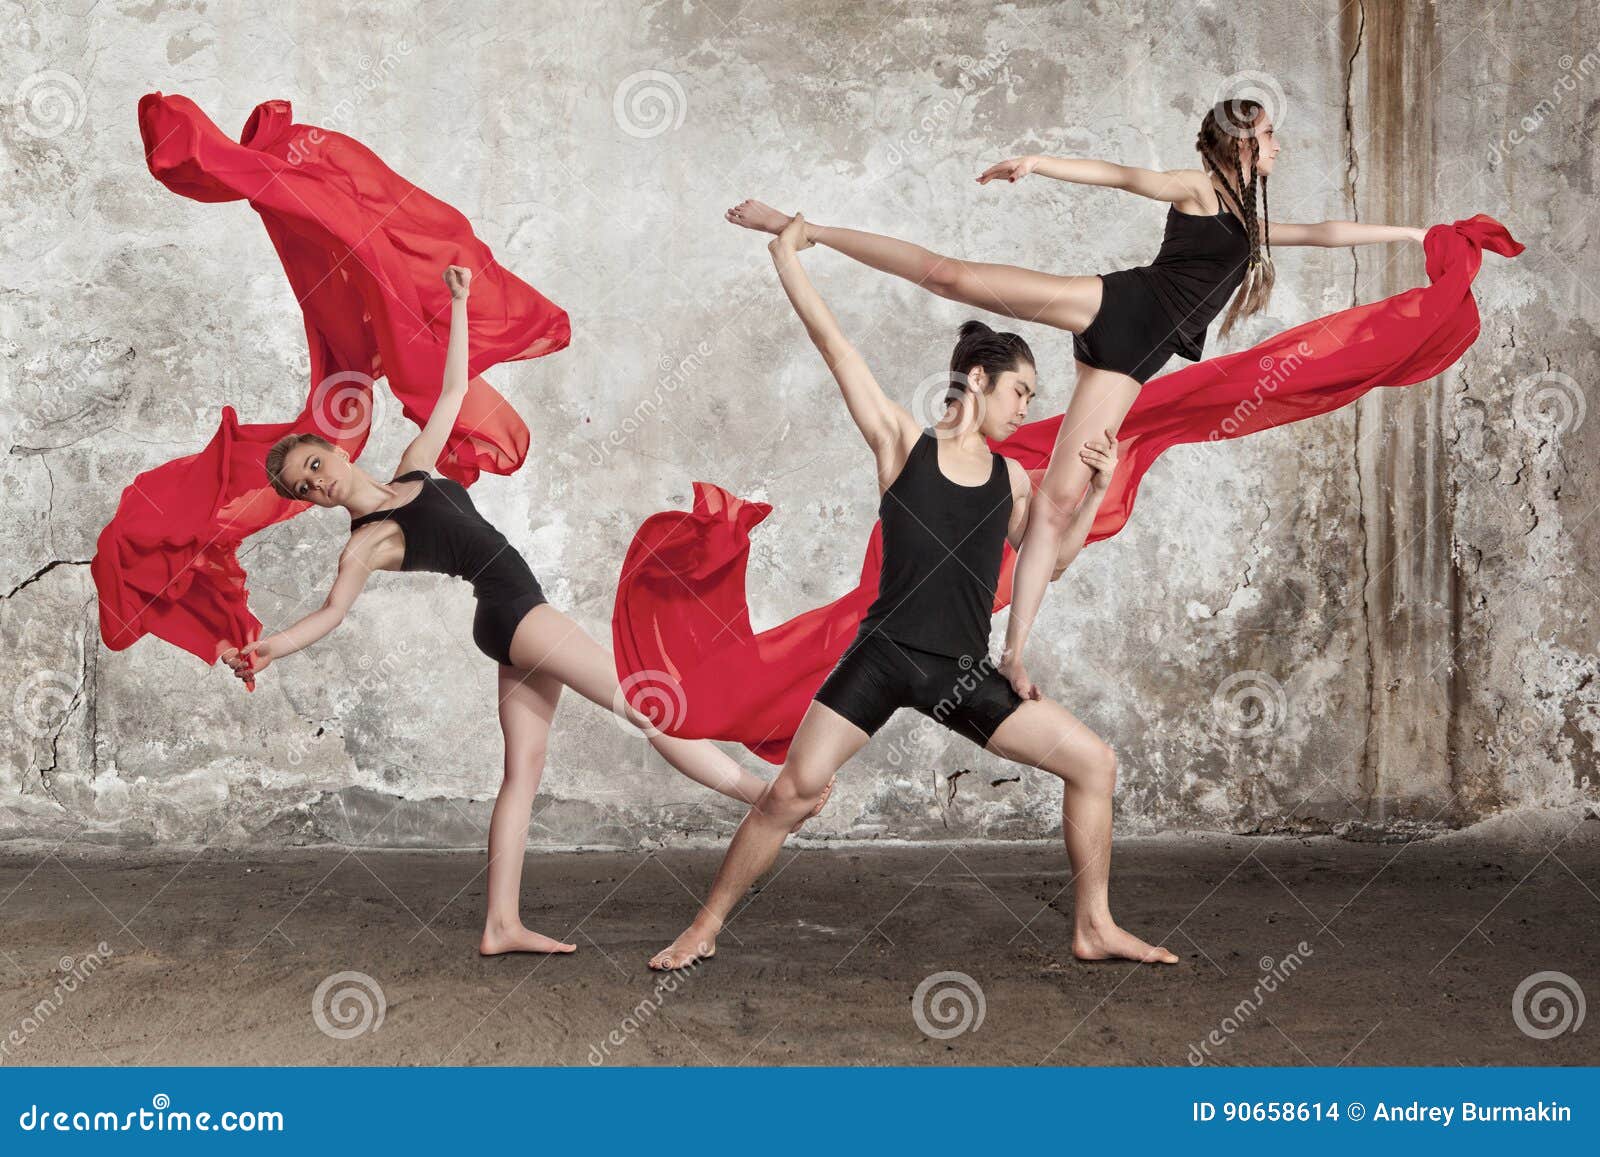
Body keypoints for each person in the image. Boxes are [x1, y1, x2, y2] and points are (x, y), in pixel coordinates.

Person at [723, 97, 1426, 701]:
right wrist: (1040, 162)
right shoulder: (1200, 186)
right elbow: (1123, 177)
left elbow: (1328, 234)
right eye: (1271, 135)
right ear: (1242, 140)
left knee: (1055, 509)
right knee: (953, 277)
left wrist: (1424, 235)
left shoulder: (1249, 217)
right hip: (1116, 309)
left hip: (1133, 363)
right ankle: (803, 228)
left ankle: (1014, 652)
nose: (1280, 146)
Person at [223, 265, 817, 956]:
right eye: (305, 489)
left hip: (509, 619)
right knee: (646, 703)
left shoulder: (416, 465)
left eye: (314, 468)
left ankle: (500, 923)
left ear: (333, 448)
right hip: (513, 616)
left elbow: (451, 391)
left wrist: (460, 303)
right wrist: (271, 645)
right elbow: (330, 613)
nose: (318, 486)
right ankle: (761, 795)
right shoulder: (366, 544)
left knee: (521, 776)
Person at [649, 214, 1178, 971]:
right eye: (1022, 392)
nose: (1028, 409)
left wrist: (1095, 491)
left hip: (961, 672)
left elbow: (1046, 561)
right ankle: (702, 926)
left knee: (1093, 762)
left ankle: (1093, 925)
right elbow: (835, 346)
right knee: (791, 794)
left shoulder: (1012, 479)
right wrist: (789, 255)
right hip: (885, 654)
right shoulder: (902, 442)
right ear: (981, 381)